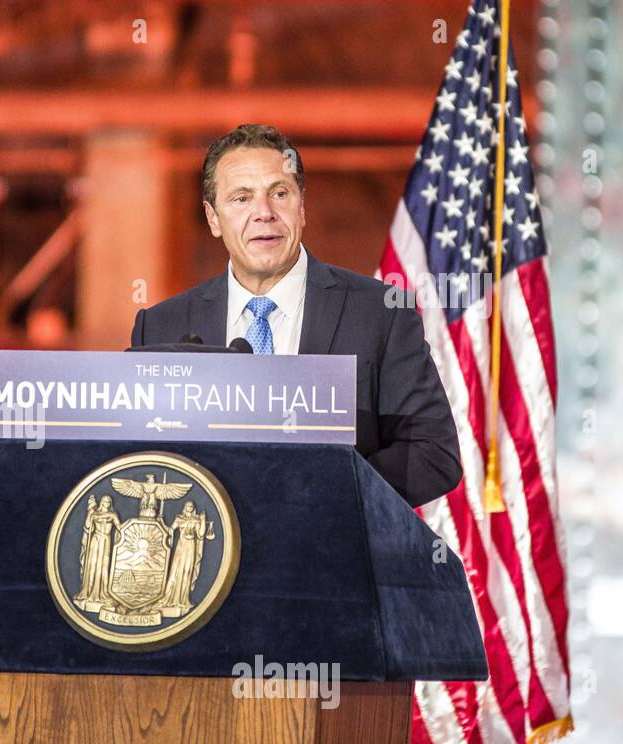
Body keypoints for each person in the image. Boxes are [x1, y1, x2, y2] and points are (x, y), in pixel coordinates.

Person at [129, 123, 463, 508]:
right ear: (213, 218)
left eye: (279, 194)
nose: (264, 214)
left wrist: (324, 491)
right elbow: (143, 459)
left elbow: (434, 453)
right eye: (241, 198)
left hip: (331, 556)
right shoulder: (160, 327)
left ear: (301, 207)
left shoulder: (380, 314)